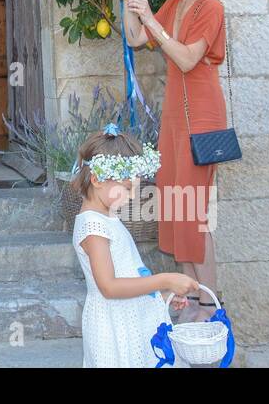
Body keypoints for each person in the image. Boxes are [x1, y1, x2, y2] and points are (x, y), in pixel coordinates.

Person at [116, 0, 227, 319]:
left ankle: (210, 307)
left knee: (194, 212)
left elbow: (185, 58)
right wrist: (129, 2)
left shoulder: (210, 8)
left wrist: (152, 19)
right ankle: (190, 299)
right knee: (177, 208)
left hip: (203, 117)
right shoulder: (175, 5)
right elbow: (134, 39)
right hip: (174, 118)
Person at [73, 127, 199, 368]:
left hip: (130, 318)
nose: (131, 196)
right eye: (127, 188)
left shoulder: (106, 217)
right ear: (97, 179)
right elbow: (109, 287)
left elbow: (127, 276)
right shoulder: (93, 227)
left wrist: (159, 297)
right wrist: (164, 280)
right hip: (114, 327)